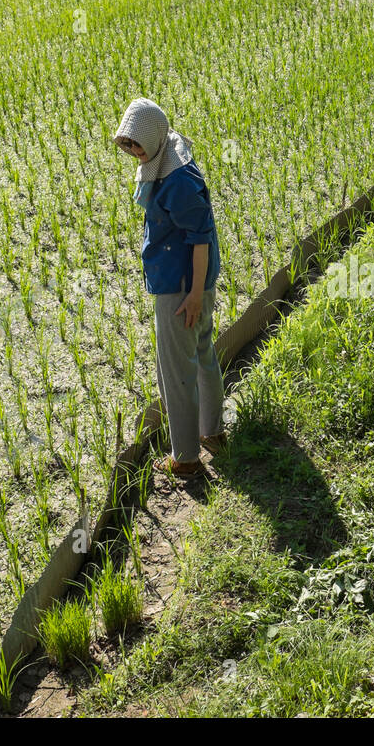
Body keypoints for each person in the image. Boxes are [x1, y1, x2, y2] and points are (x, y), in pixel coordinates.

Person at [114, 98, 225, 478]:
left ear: (153, 137)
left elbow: (199, 236)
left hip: (181, 287)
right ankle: (212, 432)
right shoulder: (169, 150)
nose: (133, 153)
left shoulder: (176, 180)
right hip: (190, 280)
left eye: (136, 145)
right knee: (202, 352)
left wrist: (193, 294)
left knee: (176, 371)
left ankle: (186, 459)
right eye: (127, 145)